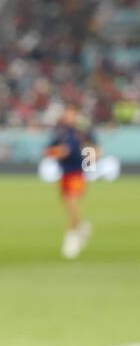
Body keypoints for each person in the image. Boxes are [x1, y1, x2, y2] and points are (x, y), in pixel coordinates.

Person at [44, 105, 98, 259]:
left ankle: (72, 237)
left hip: (77, 173)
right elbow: (49, 149)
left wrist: (91, 159)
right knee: (68, 205)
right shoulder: (60, 132)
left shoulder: (83, 131)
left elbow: (95, 148)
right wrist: (57, 152)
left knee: (72, 203)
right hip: (64, 173)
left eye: (71, 114)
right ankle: (82, 227)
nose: (68, 116)